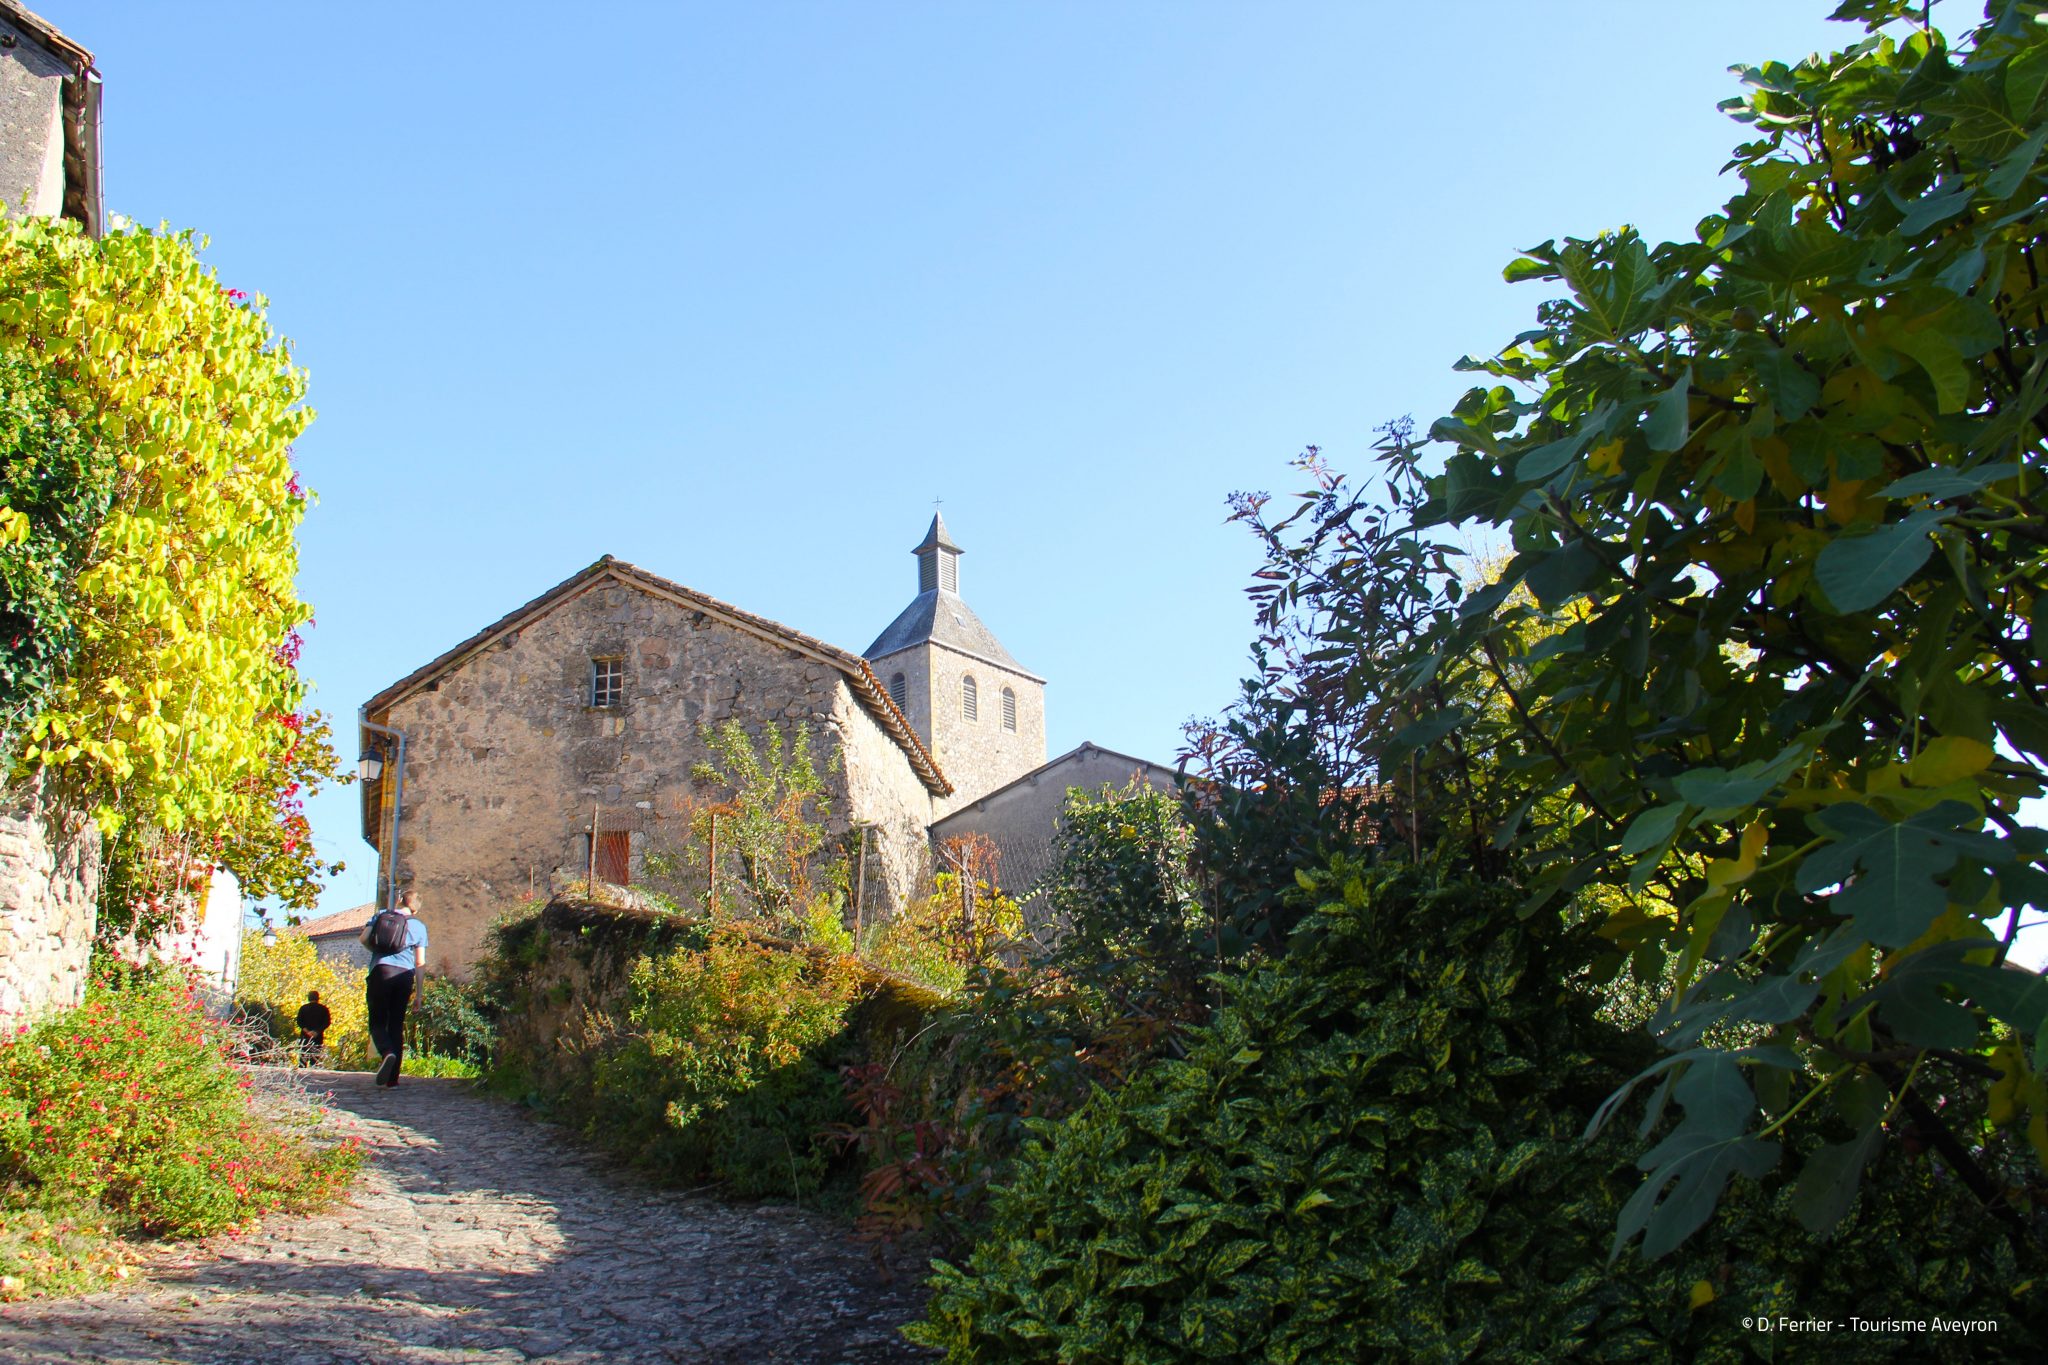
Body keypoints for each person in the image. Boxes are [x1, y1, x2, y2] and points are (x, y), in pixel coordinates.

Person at [360, 888, 429, 1088]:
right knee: (396, 1025)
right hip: (404, 976)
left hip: (381, 971)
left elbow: (363, 939)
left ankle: (386, 1052)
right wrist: (419, 994)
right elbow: (420, 962)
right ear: (416, 909)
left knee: (377, 1022)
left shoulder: (382, 915)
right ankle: (392, 1079)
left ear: (400, 900)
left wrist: (378, 951)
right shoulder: (419, 927)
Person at [294, 989, 331, 1066]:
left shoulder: (303, 1008)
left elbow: (299, 1022)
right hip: (318, 1037)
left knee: (303, 1059)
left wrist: (307, 1031)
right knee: (315, 1060)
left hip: (305, 1037)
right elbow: (327, 1023)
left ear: (309, 998)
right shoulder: (324, 1009)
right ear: (318, 998)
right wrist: (317, 1031)